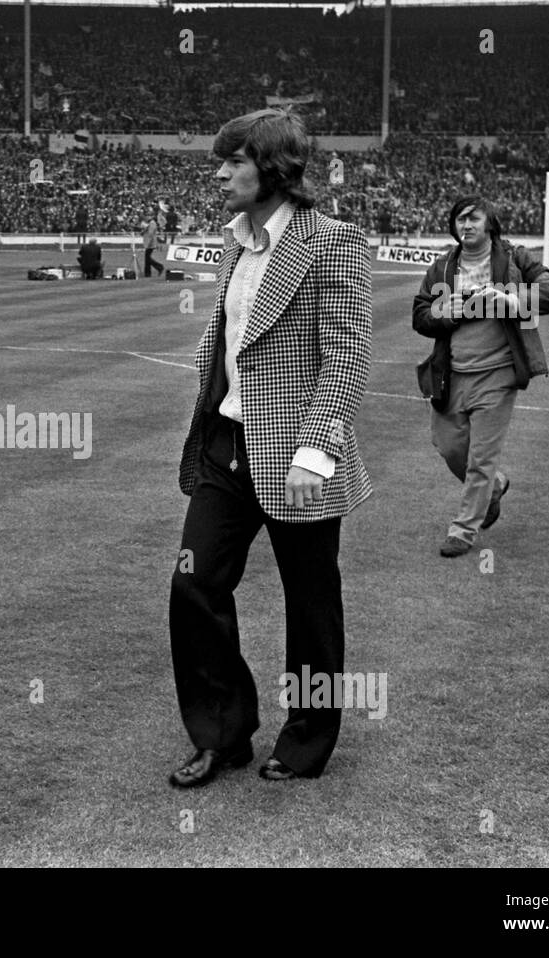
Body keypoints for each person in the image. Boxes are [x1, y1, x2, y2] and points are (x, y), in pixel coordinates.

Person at [168, 109, 372, 788]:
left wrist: (316, 450)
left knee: (310, 603)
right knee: (194, 584)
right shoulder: (236, 242)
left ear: (274, 168)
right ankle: (222, 734)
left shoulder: (334, 243)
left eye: (234, 162)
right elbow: (230, 339)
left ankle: (308, 740)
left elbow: (345, 360)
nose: (221, 173)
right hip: (229, 445)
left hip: (295, 456)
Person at [412, 194, 549, 557]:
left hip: (498, 375)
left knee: (481, 457)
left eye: (474, 218)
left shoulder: (515, 258)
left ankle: (463, 531)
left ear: (490, 224)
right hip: (451, 375)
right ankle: (495, 486)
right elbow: (420, 316)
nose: (466, 225)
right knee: (448, 446)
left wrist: (513, 301)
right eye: (460, 219)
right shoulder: (442, 268)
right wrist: (445, 312)